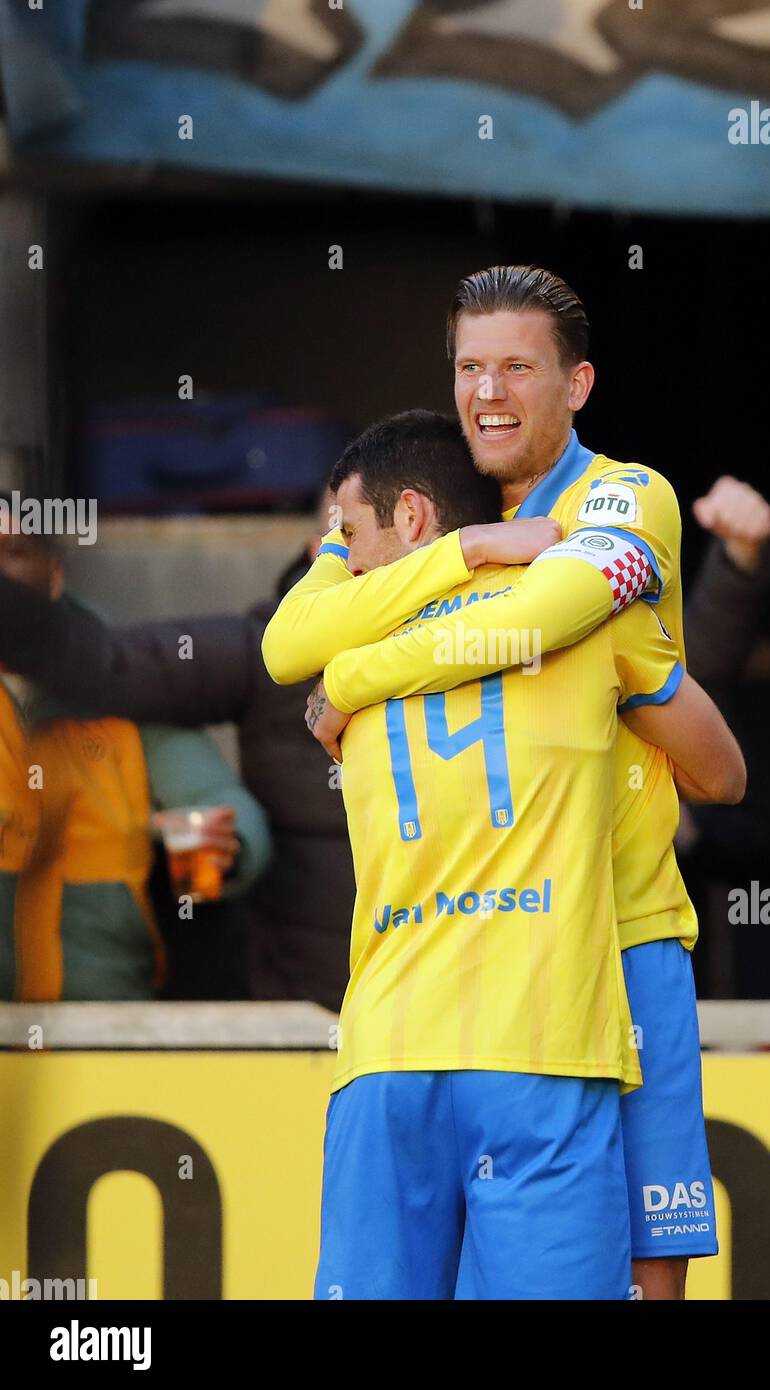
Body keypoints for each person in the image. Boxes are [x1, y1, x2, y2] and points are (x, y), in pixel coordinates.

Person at [263, 265, 722, 1299]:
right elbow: (288, 643)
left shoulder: (620, 494)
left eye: (518, 366)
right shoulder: (419, 511)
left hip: (618, 933)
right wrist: (462, 550)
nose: (489, 391)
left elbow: (556, 611)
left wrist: (360, 674)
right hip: (468, 978)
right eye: (471, 366)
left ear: (578, 385)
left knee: (644, 1276)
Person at [0, 501, 351, 1006]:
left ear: (54, 578)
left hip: (114, 1023)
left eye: (14, 552)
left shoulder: (117, 688)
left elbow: (219, 824)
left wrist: (212, 853)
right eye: (337, 534)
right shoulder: (268, 644)